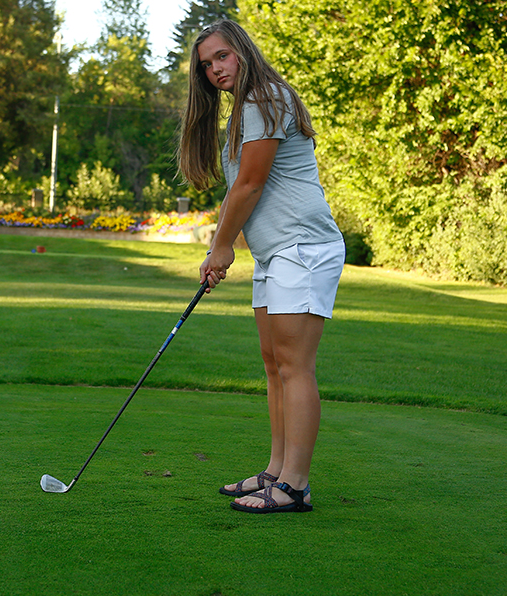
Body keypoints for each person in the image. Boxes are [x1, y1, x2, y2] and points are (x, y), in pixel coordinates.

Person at [177, 20, 345, 514]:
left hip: (304, 248)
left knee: (295, 368)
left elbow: (250, 185)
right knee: (275, 366)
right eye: (206, 64)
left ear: (243, 52)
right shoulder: (245, 111)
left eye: (221, 57)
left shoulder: (264, 98)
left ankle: (294, 485)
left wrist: (223, 248)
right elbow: (238, 192)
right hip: (277, 254)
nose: (214, 70)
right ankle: (275, 471)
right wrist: (218, 244)